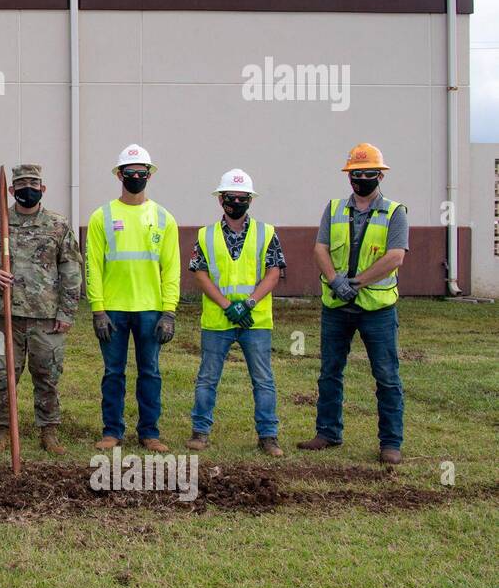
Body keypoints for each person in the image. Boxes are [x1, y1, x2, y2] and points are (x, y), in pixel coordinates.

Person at [299, 143, 409, 464]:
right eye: (356, 173)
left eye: (368, 173)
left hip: (377, 309)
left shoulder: (394, 212)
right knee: (330, 372)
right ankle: (327, 432)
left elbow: (395, 257)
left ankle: (391, 443)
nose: (361, 178)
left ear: (380, 175)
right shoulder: (333, 209)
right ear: (349, 176)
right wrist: (335, 281)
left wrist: (356, 283)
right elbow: (320, 248)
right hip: (336, 307)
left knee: (387, 376)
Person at [0, 163, 83, 454]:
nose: (27, 191)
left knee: (47, 375)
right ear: (11, 190)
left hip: (46, 317)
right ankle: (1, 430)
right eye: (21, 187)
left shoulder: (58, 225)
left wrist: (67, 312)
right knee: (3, 373)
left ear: (42, 189)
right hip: (4, 316)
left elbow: (71, 270)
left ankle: (49, 431)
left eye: (33, 186)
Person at [86, 144, 180, 453]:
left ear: (149, 176)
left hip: (151, 309)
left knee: (150, 372)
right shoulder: (102, 216)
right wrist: (98, 309)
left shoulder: (164, 218)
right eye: (130, 173)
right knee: (113, 372)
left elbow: (172, 269)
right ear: (119, 175)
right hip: (113, 308)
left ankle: (149, 432)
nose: (136, 177)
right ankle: (112, 431)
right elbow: (93, 267)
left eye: (141, 172)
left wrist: (169, 312)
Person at [187, 169, 286, 456]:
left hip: (255, 321)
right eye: (232, 197)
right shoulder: (206, 236)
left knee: (263, 380)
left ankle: (268, 436)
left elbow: (274, 272)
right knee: (207, 378)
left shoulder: (266, 233)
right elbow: (201, 274)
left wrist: (249, 303)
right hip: (218, 321)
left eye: (243, 198)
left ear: (250, 200)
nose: (237, 202)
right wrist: (228, 306)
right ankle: (200, 432)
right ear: (221, 199)